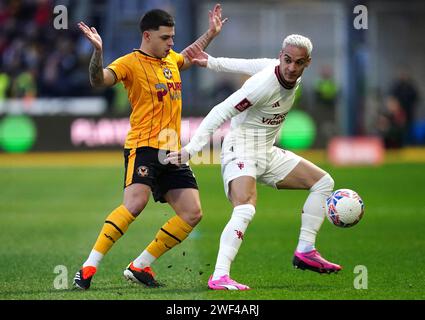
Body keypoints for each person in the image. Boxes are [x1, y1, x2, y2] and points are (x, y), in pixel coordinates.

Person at [166, 34, 341, 290]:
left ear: (307, 63)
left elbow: (249, 63)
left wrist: (213, 63)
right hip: (241, 149)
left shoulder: (288, 71)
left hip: (266, 151)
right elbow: (220, 111)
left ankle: (305, 250)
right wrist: (192, 149)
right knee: (246, 207)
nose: (292, 67)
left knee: (324, 182)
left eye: (298, 63)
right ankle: (219, 275)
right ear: (281, 56)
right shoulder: (262, 86)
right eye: (288, 60)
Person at [73, 4, 227, 290]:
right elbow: (98, 80)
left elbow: (189, 55)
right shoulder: (129, 63)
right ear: (147, 36)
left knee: (192, 214)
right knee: (135, 204)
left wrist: (211, 34)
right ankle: (88, 267)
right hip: (143, 146)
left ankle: (140, 265)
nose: (171, 43)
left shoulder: (170, 60)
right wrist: (98, 52)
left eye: (172, 38)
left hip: (172, 150)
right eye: (166, 38)